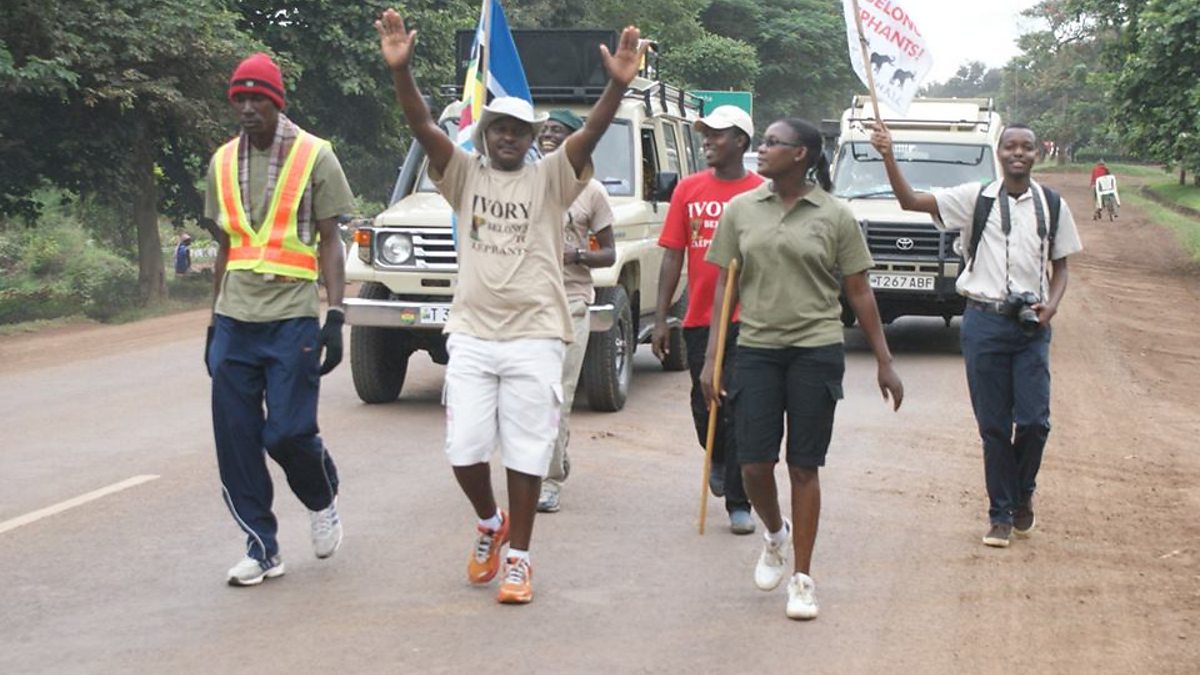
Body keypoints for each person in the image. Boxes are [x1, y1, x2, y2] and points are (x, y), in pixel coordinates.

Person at [376, 9, 646, 604]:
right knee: (464, 450)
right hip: (473, 333)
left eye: (518, 131)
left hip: (536, 335)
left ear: (531, 139)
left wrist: (616, 86)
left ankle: (519, 560)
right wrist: (401, 72)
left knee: (527, 454)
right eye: (498, 128)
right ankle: (489, 522)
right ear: (484, 133)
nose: (507, 137)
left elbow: (590, 133)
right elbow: (422, 125)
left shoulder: (551, 179)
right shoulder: (462, 175)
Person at [703, 118, 904, 620]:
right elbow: (724, 286)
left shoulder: (835, 214)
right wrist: (711, 360)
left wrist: (884, 360)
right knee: (753, 466)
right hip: (756, 349)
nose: (762, 149)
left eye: (773, 143)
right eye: (764, 141)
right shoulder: (741, 209)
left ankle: (803, 579)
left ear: (801, 155)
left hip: (816, 350)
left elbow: (859, 290)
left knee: (803, 466)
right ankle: (776, 534)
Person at [871, 121, 1082, 549]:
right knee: (994, 427)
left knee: (1035, 422)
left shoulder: (1052, 204)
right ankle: (1000, 514)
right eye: (1010, 146)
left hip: (1031, 326)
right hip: (984, 323)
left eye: (1026, 147)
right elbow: (910, 200)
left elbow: (1061, 267)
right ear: (998, 153)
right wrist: (888, 155)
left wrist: (1053, 305)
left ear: (1037, 153)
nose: (1018, 153)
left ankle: (1023, 492)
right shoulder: (975, 198)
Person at [203, 52, 352, 586]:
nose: (247, 108)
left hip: (292, 318)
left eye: (257, 99)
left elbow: (332, 240)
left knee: (287, 434)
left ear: (276, 102)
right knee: (236, 439)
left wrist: (335, 315)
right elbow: (225, 246)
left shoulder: (316, 155)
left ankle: (321, 495)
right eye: (239, 99)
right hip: (235, 320)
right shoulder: (221, 162)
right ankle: (262, 547)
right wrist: (212, 323)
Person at [651, 105, 762, 534]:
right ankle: (715, 456)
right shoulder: (688, 189)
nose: (707, 142)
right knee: (705, 403)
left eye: (717, 134)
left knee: (737, 407)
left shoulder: (762, 193)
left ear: (740, 141)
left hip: (749, 320)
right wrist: (663, 317)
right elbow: (672, 255)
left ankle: (739, 502)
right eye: (706, 134)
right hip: (699, 318)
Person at [534, 110, 616, 514]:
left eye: (558, 130)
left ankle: (548, 481)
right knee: (529, 396)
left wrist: (578, 254)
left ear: (575, 139)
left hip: (572, 302)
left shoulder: (593, 192)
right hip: (527, 304)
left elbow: (610, 253)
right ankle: (552, 456)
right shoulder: (525, 183)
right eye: (544, 130)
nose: (548, 135)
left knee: (558, 394)